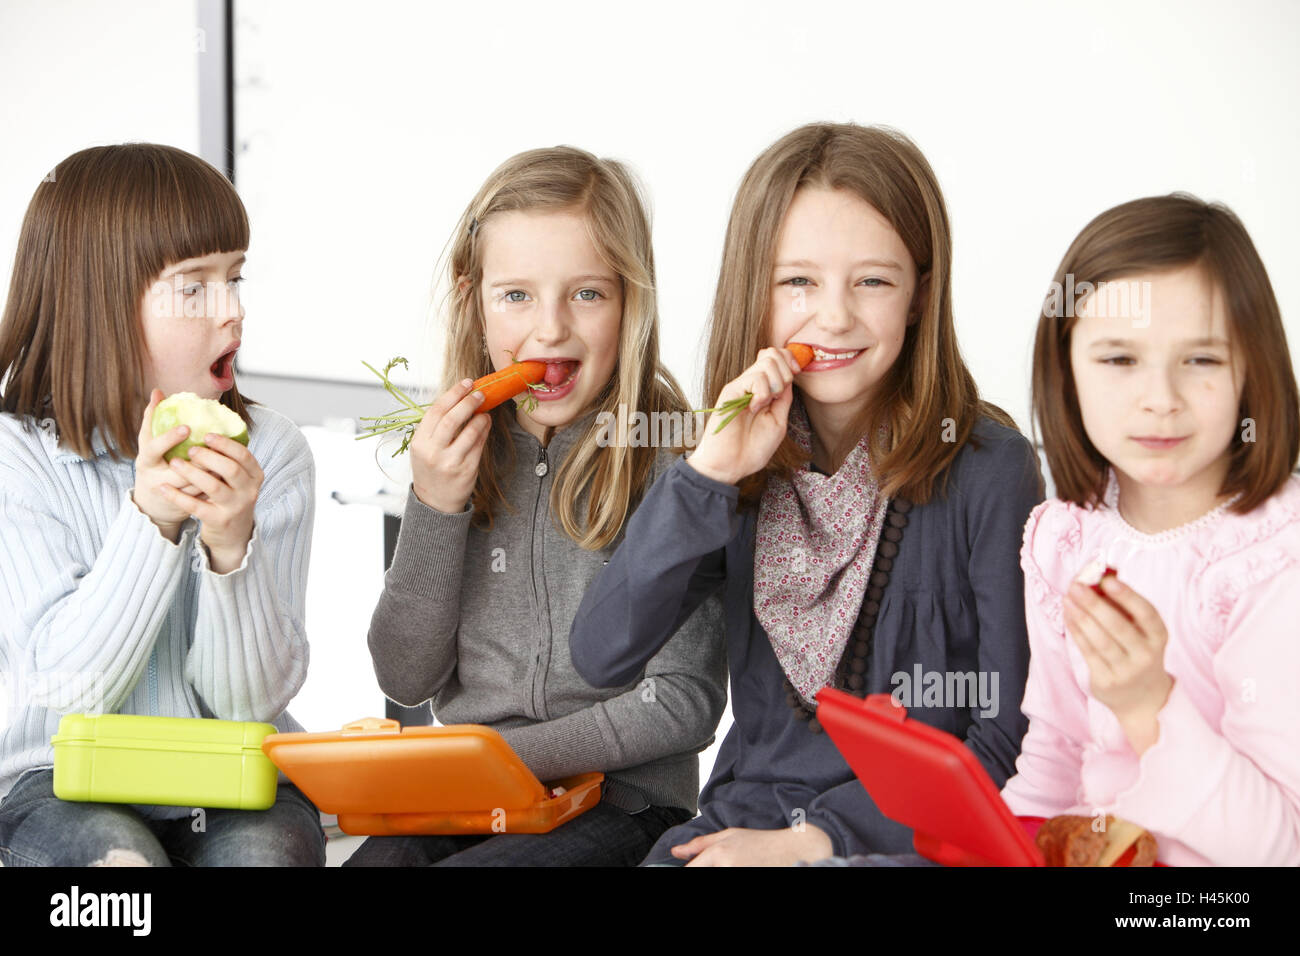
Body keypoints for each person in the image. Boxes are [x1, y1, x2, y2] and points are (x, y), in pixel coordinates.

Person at [570, 122, 1043, 866]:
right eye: (798, 281)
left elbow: (1006, 737)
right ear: (752, 291)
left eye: (873, 281)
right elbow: (600, 656)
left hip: (908, 841)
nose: (835, 316)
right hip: (742, 820)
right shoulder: (730, 463)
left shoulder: (991, 470)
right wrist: (706, 477)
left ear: (920, 291)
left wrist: (813, 842)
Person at [344, 146, 726, 867]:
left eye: (587, 294)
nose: (550, 330)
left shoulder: (678, 458)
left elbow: (682, 702)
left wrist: (493, 756)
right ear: (474, 300)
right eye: (516, 296)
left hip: (623, 801)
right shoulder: (454, 453)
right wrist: (435, 505)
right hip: (468, 798)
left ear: (630, 301)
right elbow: (404, 678)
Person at [0, 144, 323, 866]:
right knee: (117, 866)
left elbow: (246, 705)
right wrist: (151, 519)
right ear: (99, 300)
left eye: (235, 278)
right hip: (56, 782)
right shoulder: (15, 458)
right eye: (194, 287)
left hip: (230, 779)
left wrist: (231, 548)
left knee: (265, 858)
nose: (232, 311)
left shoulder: (270, 451)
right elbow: (69, 685)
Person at [999, 193, 1300, 866]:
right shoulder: (1064, 539)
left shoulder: (1274, 557)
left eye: (1202, 361)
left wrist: (1146, 707)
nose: (1161, 398)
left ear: (1253, 370)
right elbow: (1054, 757)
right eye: (1119, 360)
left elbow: (1282, 848)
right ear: (1066, 368)